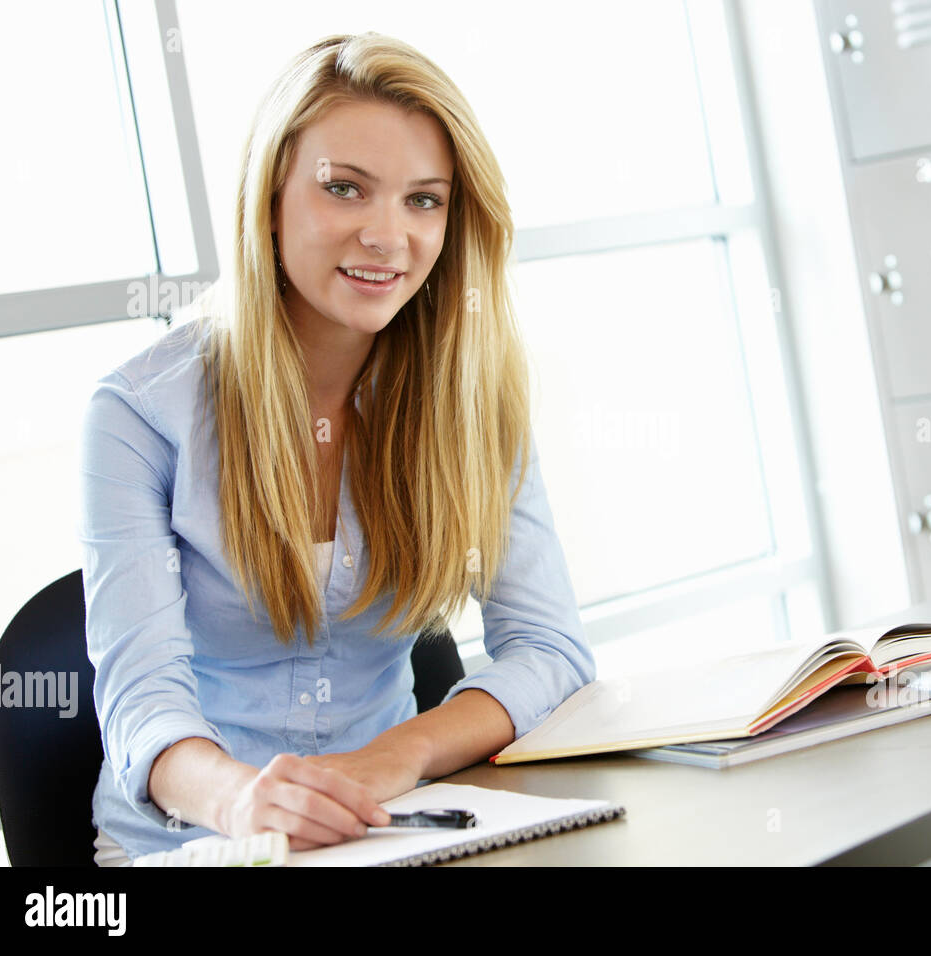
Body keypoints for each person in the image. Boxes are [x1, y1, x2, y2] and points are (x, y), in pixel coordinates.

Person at [82, 32, 595, 865]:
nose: (388, 237)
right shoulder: (140, 413)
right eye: (345, 189)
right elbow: (144, 702)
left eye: (424, 200)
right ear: (270, 195)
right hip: (190, 847)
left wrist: (397, 756)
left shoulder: (472, 396)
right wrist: (244, 800)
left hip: (387, 829)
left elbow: (550, 649)